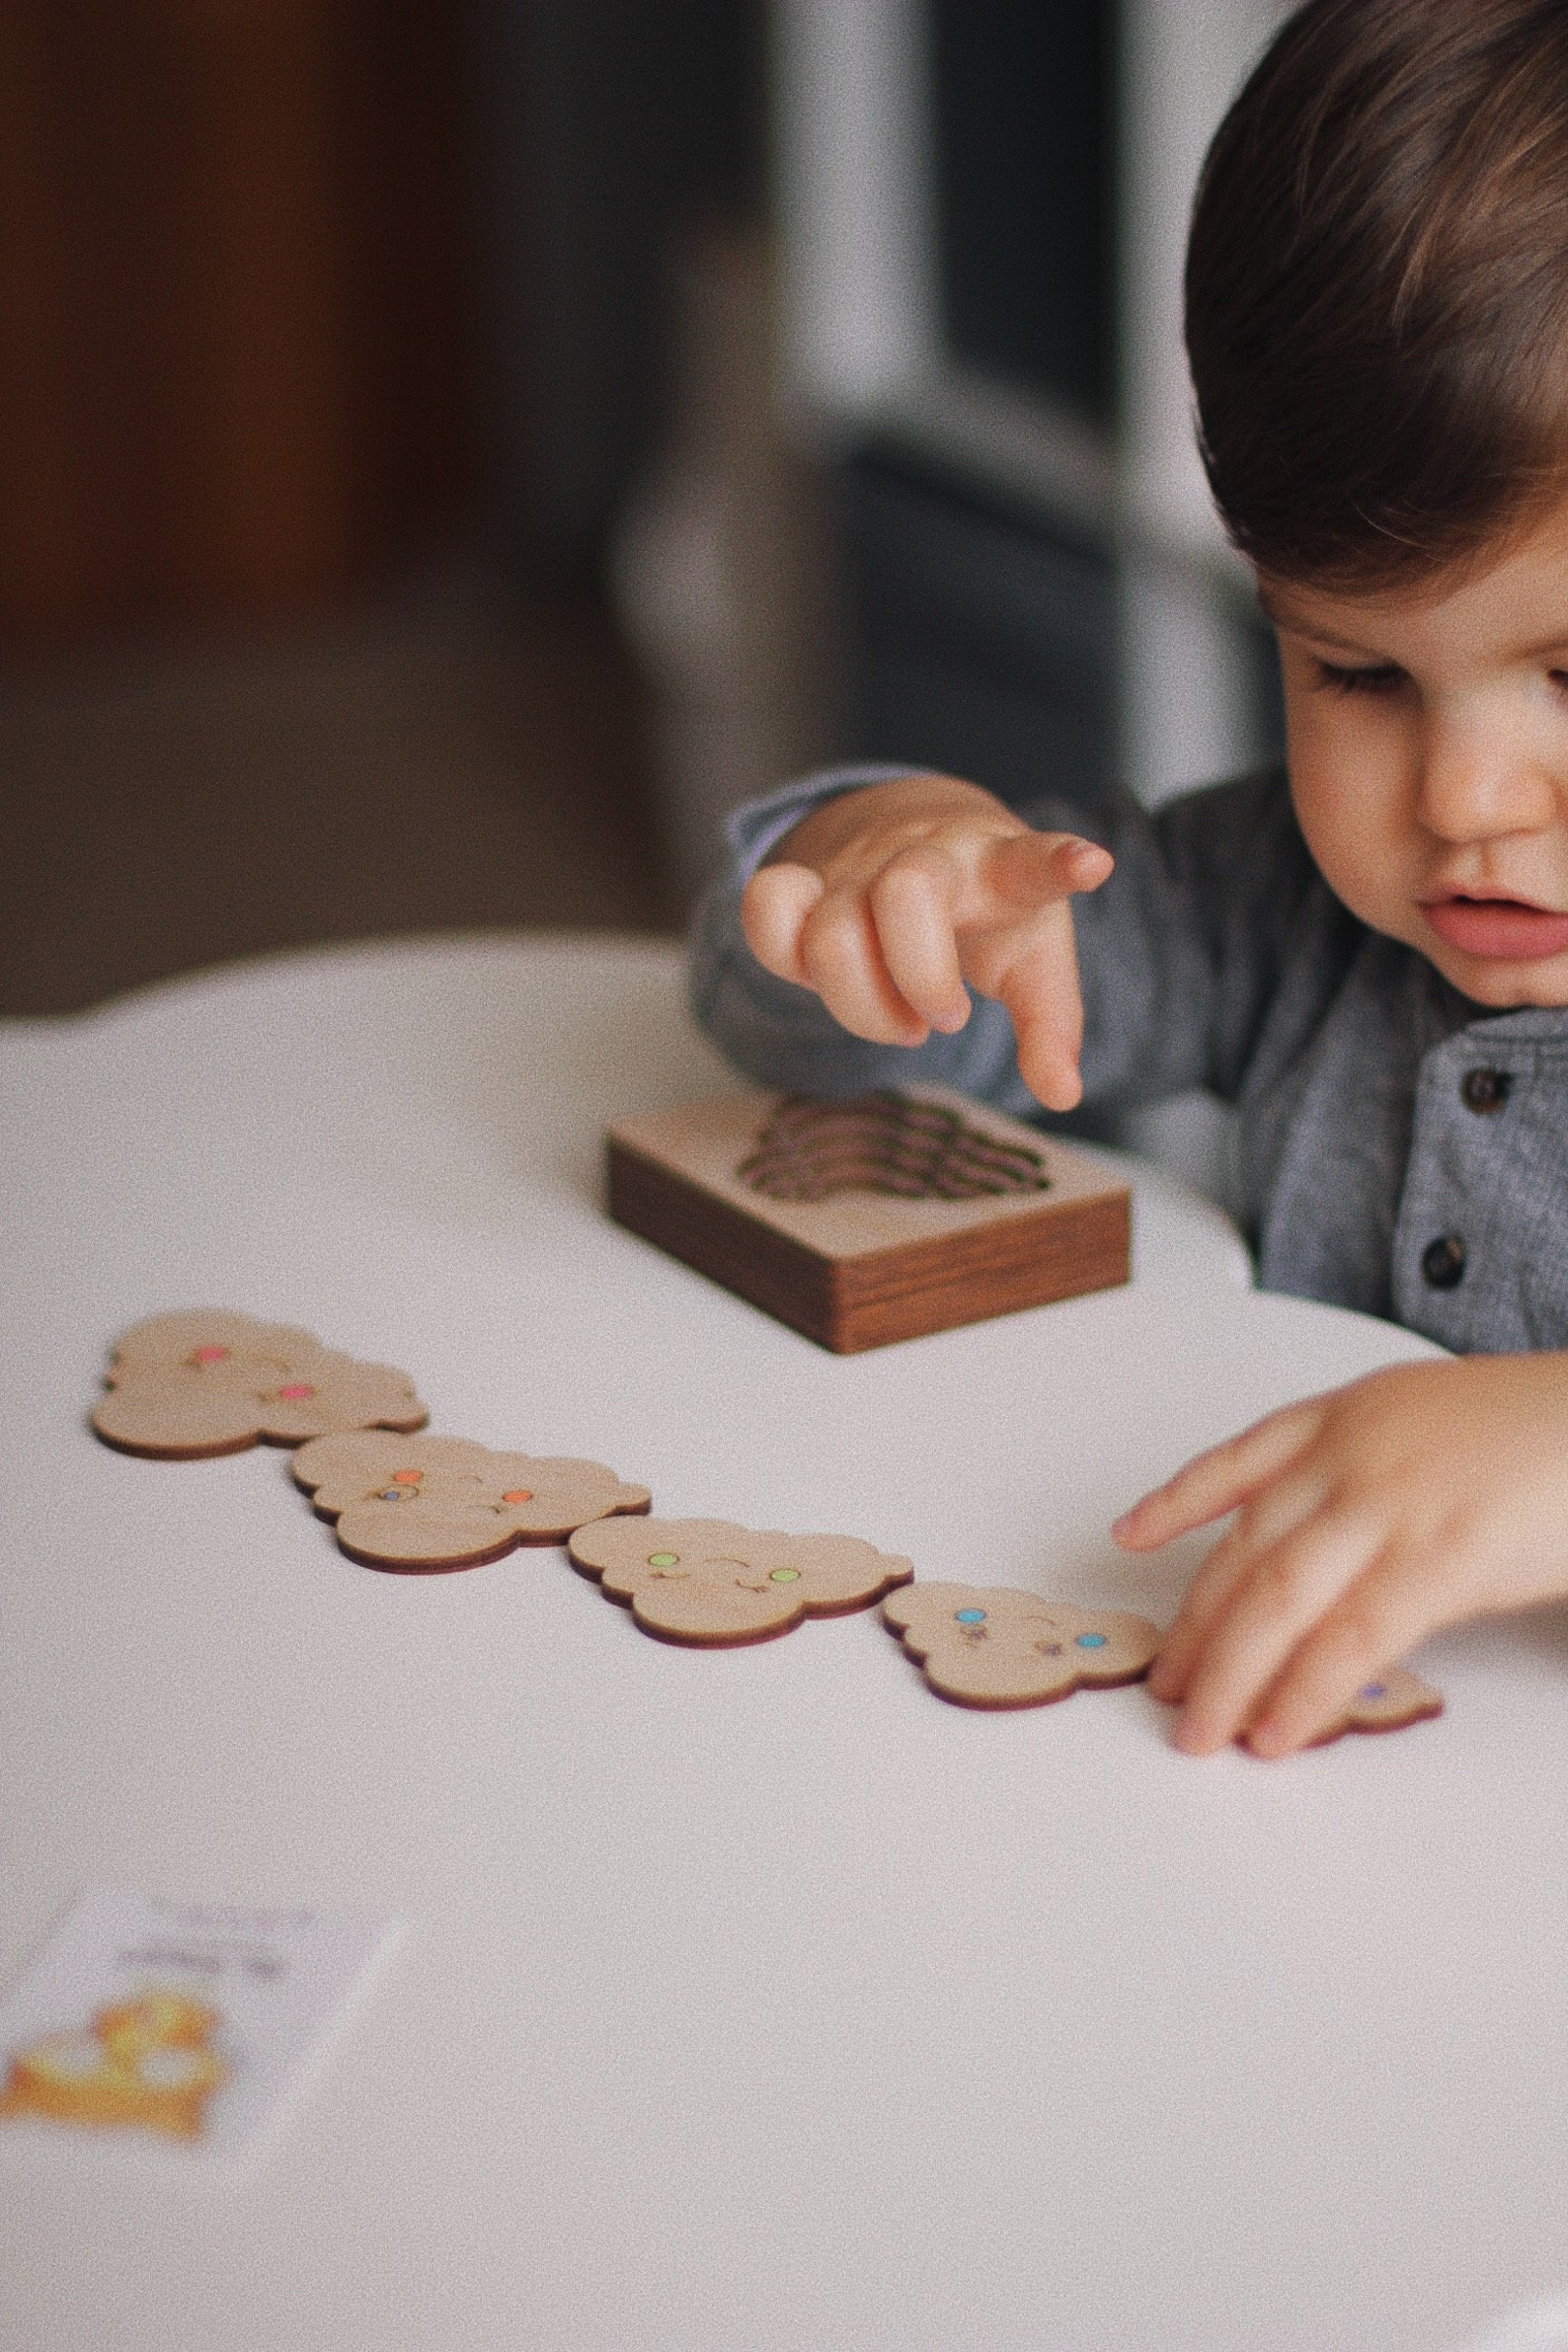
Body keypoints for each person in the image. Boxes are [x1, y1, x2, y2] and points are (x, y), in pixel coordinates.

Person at [687, 0, 1568, 1758]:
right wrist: (868, 885)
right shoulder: (1287, 900)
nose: (1465, 799)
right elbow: (785, 1039)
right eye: (1358, 676)